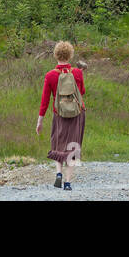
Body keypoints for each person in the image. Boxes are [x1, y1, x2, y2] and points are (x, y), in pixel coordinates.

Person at [36, 40, 85, 191]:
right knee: (73, 147)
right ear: (70, 55)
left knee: (58, 145)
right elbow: (82, 92)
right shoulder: (77, 72)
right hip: (77, 114)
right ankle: (68, 183)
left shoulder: (50, 75)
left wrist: (40, 121)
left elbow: (44, 101)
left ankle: (58, 174)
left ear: (55, 54)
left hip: (59, 114)